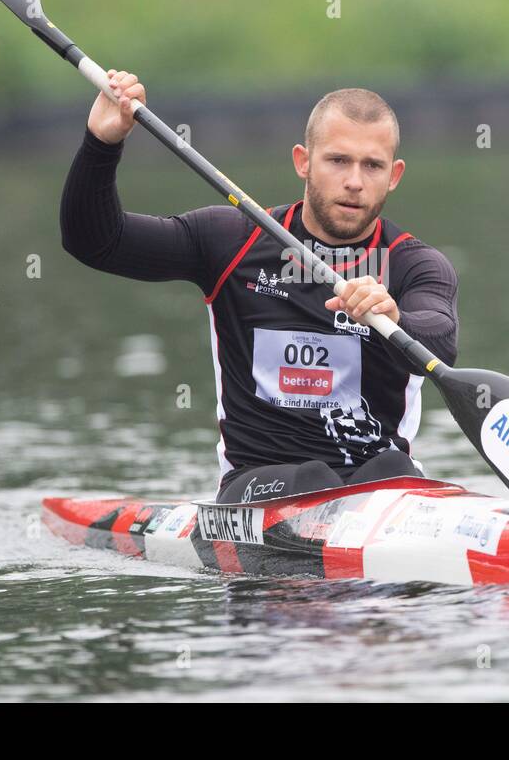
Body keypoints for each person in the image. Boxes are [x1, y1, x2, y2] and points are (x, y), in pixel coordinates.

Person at [60, 71, 459, 503]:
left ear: (394, 174)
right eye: (338, 160)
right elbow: (95, 241)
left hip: (381, 489)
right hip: (260, 486)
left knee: (394, 469)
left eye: (372, 165)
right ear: (303, 161)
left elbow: (439, 342)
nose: (355, 182)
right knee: (313, 482)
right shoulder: (231, 239)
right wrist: (102, 142)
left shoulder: (414, 265)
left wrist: (396, 319)